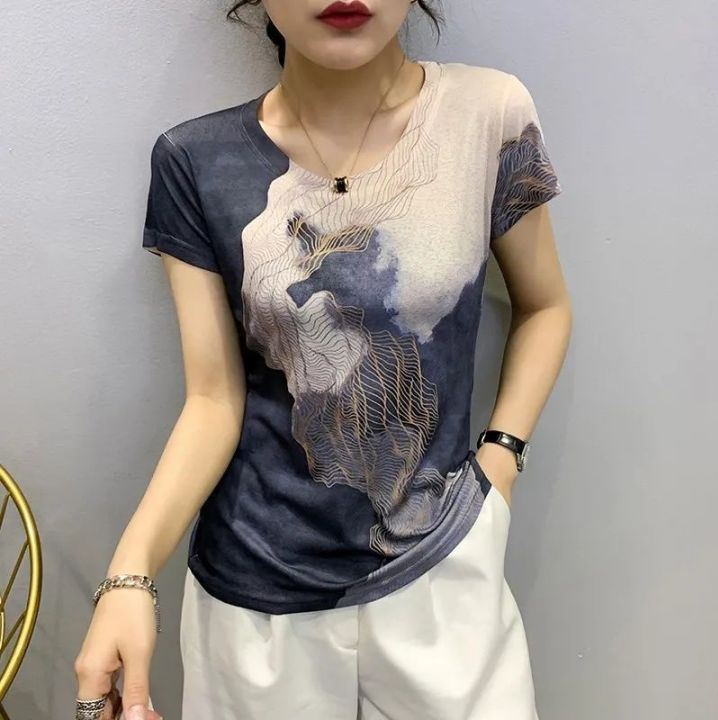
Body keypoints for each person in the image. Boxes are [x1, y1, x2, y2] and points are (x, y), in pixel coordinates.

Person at [74, 1, 573, 718]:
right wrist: (131, 575)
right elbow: (213, 400)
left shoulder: (487, 113)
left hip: (442, 568)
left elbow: (545, 306)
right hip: (258, 601)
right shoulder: (196, 158)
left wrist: (499, 465)